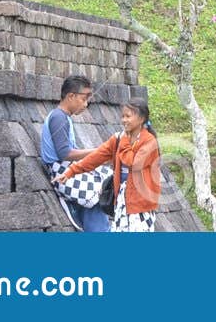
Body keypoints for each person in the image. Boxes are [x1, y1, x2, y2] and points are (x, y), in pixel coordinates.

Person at [56, 100, 161, 233]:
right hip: (121, 199)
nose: (124, 120)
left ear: (141, 119)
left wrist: (124, 141)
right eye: (123, 116)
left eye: (128, 116)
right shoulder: (118, 139)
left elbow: (133, 163)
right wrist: (71, 171)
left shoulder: (149, 142)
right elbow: (96, 157)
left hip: (141, 202)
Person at [41, 75, 110, 232]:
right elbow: (65, 153)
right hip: (63, 174)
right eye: (83, 99)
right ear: (71, 96)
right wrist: (98, 152)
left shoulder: (63, 117)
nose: (85, 104)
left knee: (108, 179)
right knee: (98, 193)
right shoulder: (59, 118)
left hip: (69, 171)